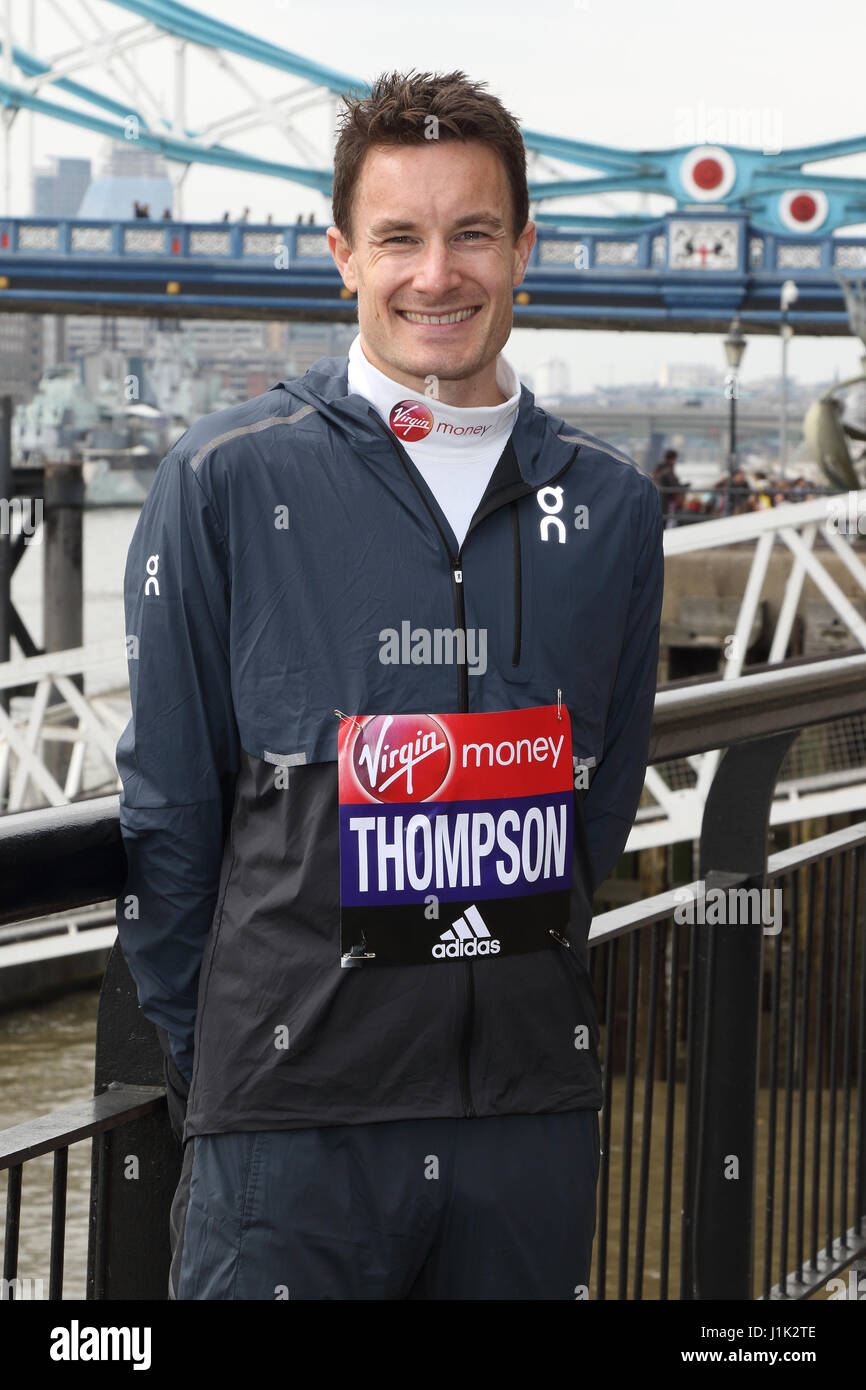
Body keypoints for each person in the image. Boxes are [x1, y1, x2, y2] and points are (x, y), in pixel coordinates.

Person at [115, 68, 664, 1302]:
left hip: (526, 1116)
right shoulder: (226, 480)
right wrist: (226, 1067)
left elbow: (601, 801)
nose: (437, 274)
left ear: (523, 247)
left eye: (472, 232)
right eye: (398, 238)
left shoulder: (616, 506)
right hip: (293, 1128)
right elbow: (170, 814)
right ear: (341, 257)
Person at [651, 447, 688, 523]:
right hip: (663, 498)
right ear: (673, 458)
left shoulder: (659, 466)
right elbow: (674, 483)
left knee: (658, 519)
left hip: (655, 496)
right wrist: (683, 487)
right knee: (663, 519)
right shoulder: (667, 469)